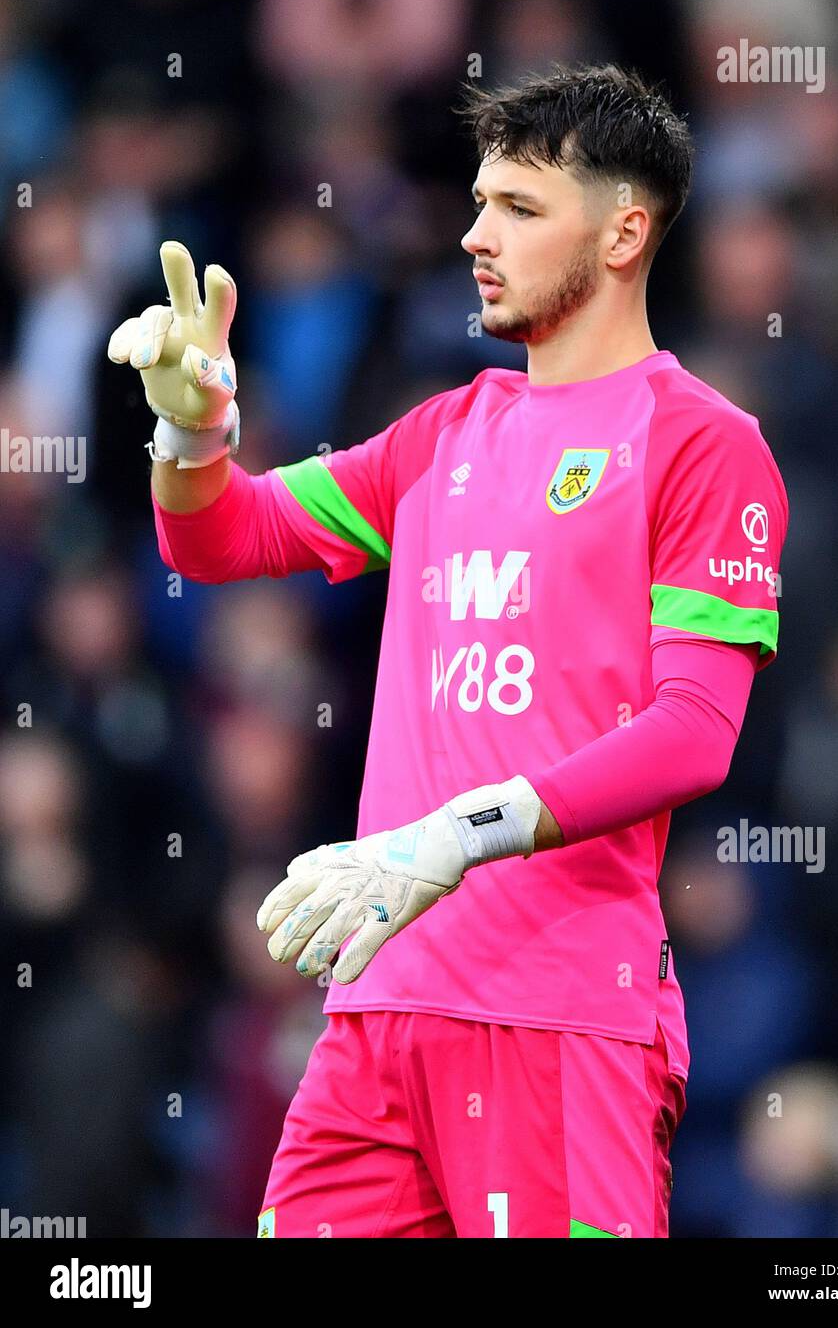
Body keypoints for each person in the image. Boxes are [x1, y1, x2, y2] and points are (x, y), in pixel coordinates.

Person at [108, 62, 788, 1239]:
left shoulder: (700, 445)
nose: (476, 235)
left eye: (518, 209)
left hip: (561, 1020)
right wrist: (192, 427)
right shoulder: (445, 432)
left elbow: (693, 731)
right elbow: (223, 536)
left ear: (624, 231)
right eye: (478, 203)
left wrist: (449, 836)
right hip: (377, 1010)